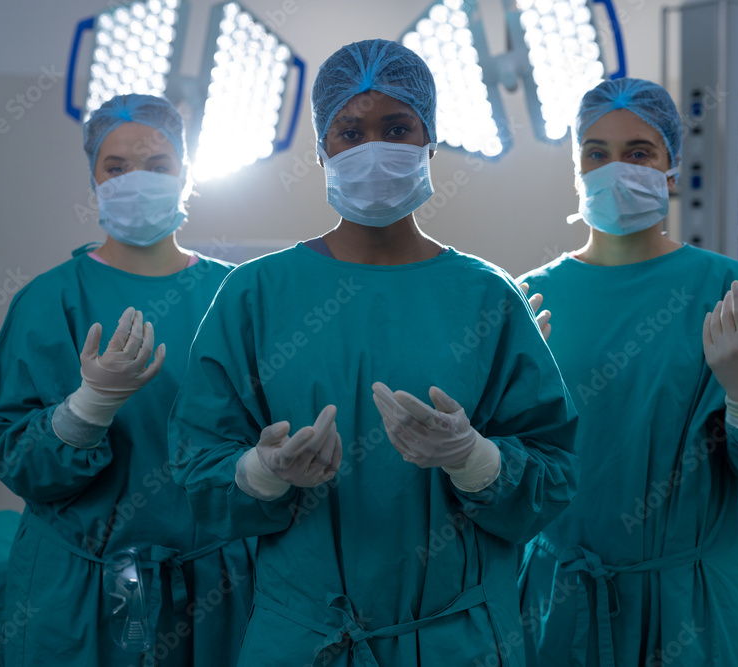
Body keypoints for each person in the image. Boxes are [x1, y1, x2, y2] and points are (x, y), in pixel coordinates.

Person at [168, 39, 579, 666]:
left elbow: (553, 469)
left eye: (396, 128)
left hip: (454, 640)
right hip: (304, 640)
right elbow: (199, 466)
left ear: (430, 141)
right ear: (321, 150)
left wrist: (475, 459)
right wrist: (260, 471)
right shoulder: (256, 294)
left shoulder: (488, 297)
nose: (373, 149)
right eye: (350, 132)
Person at [516, 77, 738, 666]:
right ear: (576, 170)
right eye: (596, 153)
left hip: (688, 601)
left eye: (638, 153)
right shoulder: (530, 298)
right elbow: (516, 466)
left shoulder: (725, 291)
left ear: (672, 170)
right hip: (559, 596)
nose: (614, 168)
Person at [0, 94, 253, 666]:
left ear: (187, 174)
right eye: (117, 167)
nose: (137, 181)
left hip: (218, 584)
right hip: (81, 591)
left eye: (157, 166)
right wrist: (88, 407)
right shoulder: (51, 299)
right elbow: (15, 455)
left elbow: (265, 434)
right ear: (94, 181)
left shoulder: (237, 297)